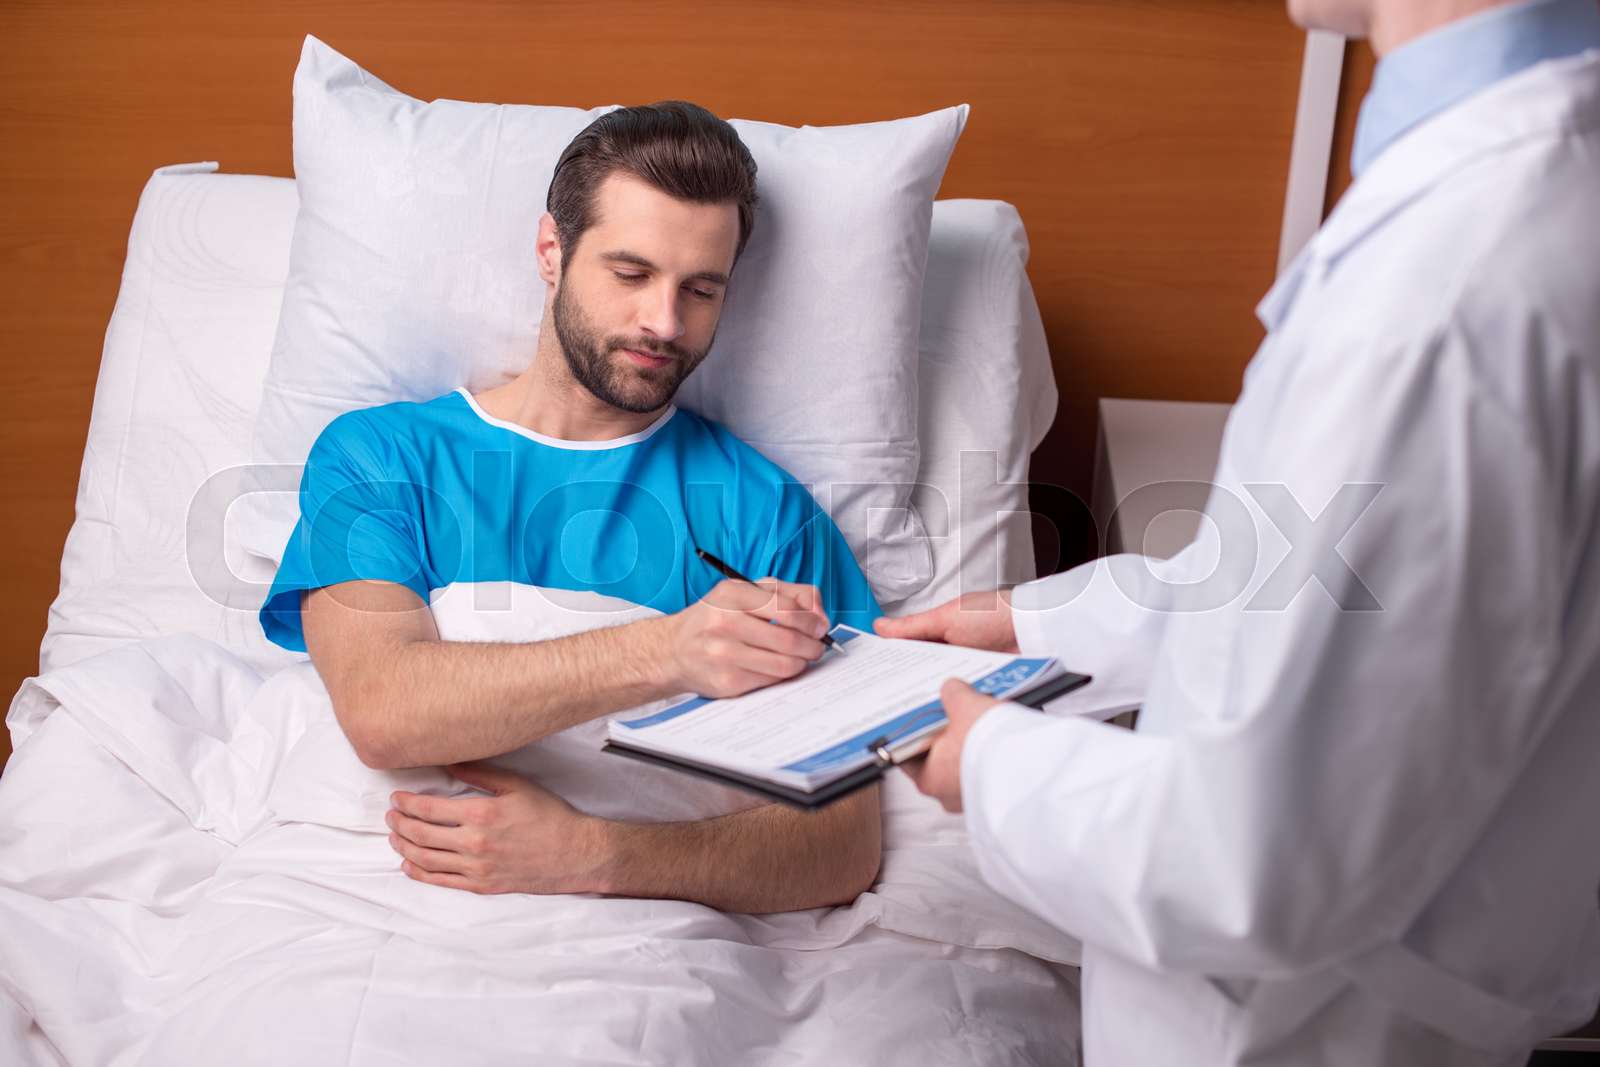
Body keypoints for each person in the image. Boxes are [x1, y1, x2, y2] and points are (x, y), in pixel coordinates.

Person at [878, 0, 1600, 1062]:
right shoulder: (1513, 187)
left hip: (1308, 1023)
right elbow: (1325, 584)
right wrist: (1033, 620)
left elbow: (1245, 862)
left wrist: (988, 763)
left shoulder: (1444, 292)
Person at [259, 102, 885, 913]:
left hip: (636, 938)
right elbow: (383, 710)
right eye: (631, 275)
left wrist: (593, 853)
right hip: (367, 901)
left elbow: (845, 844)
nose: (664, 322)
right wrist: (672, 651)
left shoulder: (765, 512)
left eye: (701, 289)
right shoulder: (384, 457)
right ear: (552, 251)